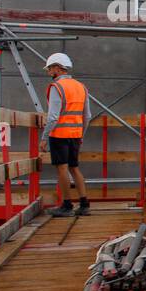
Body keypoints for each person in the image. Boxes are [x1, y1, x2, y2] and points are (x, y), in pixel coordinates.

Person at [42, 52, 92, 217]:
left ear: (57, 68)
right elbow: (88, 116)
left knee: (62, 169)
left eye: (50, 68)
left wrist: (43, 138)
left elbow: (53, 117)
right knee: (74, 168)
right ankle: (84, 204)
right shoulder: (81, 87)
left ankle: (66, 205)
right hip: (76, 134)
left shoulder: (57, 87)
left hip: (59, 135)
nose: (49, 72)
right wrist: (81, 135)